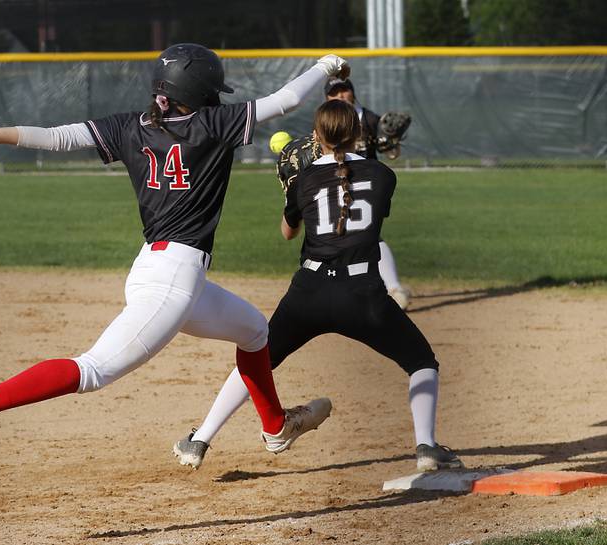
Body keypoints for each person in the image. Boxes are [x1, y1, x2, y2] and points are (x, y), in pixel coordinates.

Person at [0, 43, 349, 457]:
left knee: (255, 332)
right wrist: (326, 65)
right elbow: (287, 99)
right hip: (174, 280)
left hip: (157, 268)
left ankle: (275, 426)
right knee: (93, 369)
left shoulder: (130, 126)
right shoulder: (213, 124)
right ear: (198, 91)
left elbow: (57, 137)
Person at [173, 100, 462, 472]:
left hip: (307, 294)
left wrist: (291, 192)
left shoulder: (305, 180)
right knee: (421, 362)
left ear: (316, 136)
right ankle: (426, 447)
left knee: (259, 357)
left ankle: (199, 441)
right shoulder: (383, 175)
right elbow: (360, 213)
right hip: (364, 296)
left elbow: (288, 232)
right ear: (358, 134)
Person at [276, 77, 412, 309]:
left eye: (344, 90)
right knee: (366, 240)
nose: (340, 95)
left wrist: (391, 141)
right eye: (334, 92)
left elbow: (390, 152)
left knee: (359, 240)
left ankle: (391, 288)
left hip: (360, 187)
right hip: (340, 186)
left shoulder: (367, 119)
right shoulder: (384, 174)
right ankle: (391, 289)